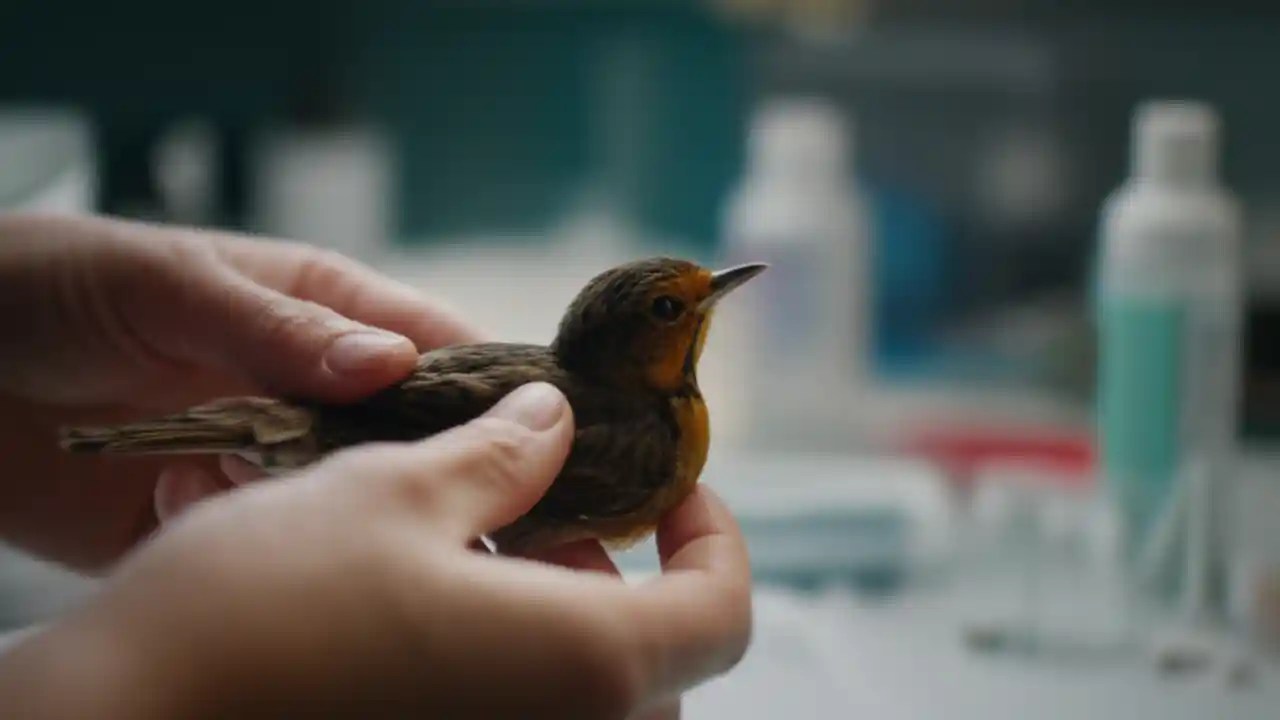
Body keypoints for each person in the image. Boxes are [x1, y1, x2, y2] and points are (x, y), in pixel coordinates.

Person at [0, 213, 752, 718]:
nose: (705, 300)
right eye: (670, 308)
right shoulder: (649, 449)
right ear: (626, 348)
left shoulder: (642, 414)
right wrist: (190, 671)